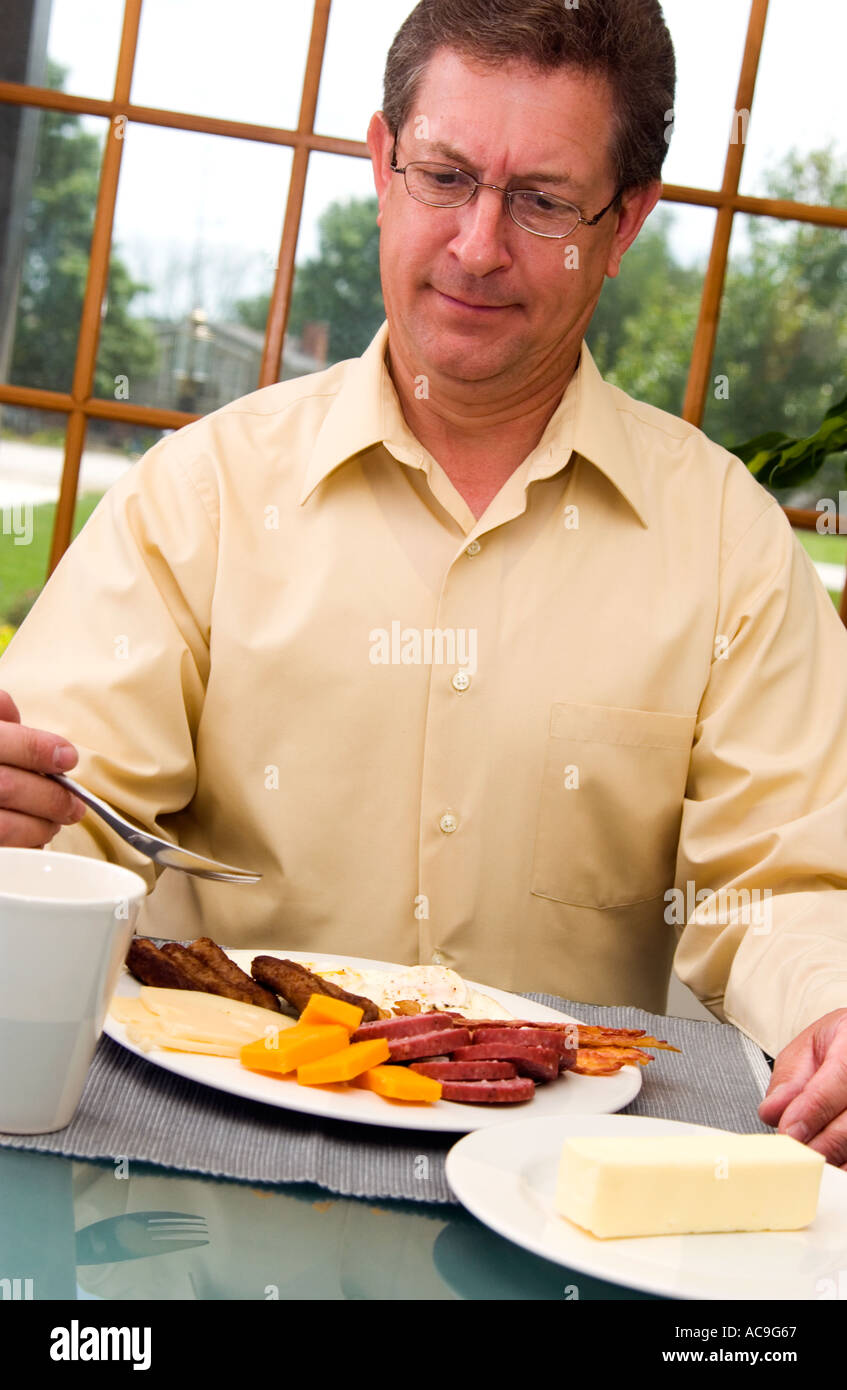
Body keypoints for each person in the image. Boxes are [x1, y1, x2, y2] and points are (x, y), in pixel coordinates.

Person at [0, 0, 845, 1166]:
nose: (479, 245)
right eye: (444, 176)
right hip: (196, 1171)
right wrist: (13, 827)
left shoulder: (728, 547)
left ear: (625, 222)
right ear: (381, 164)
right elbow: (57, 837)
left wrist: (828, 1012)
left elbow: (788, 882)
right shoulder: (202, 496)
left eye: (542, 200)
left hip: (565, 1194)